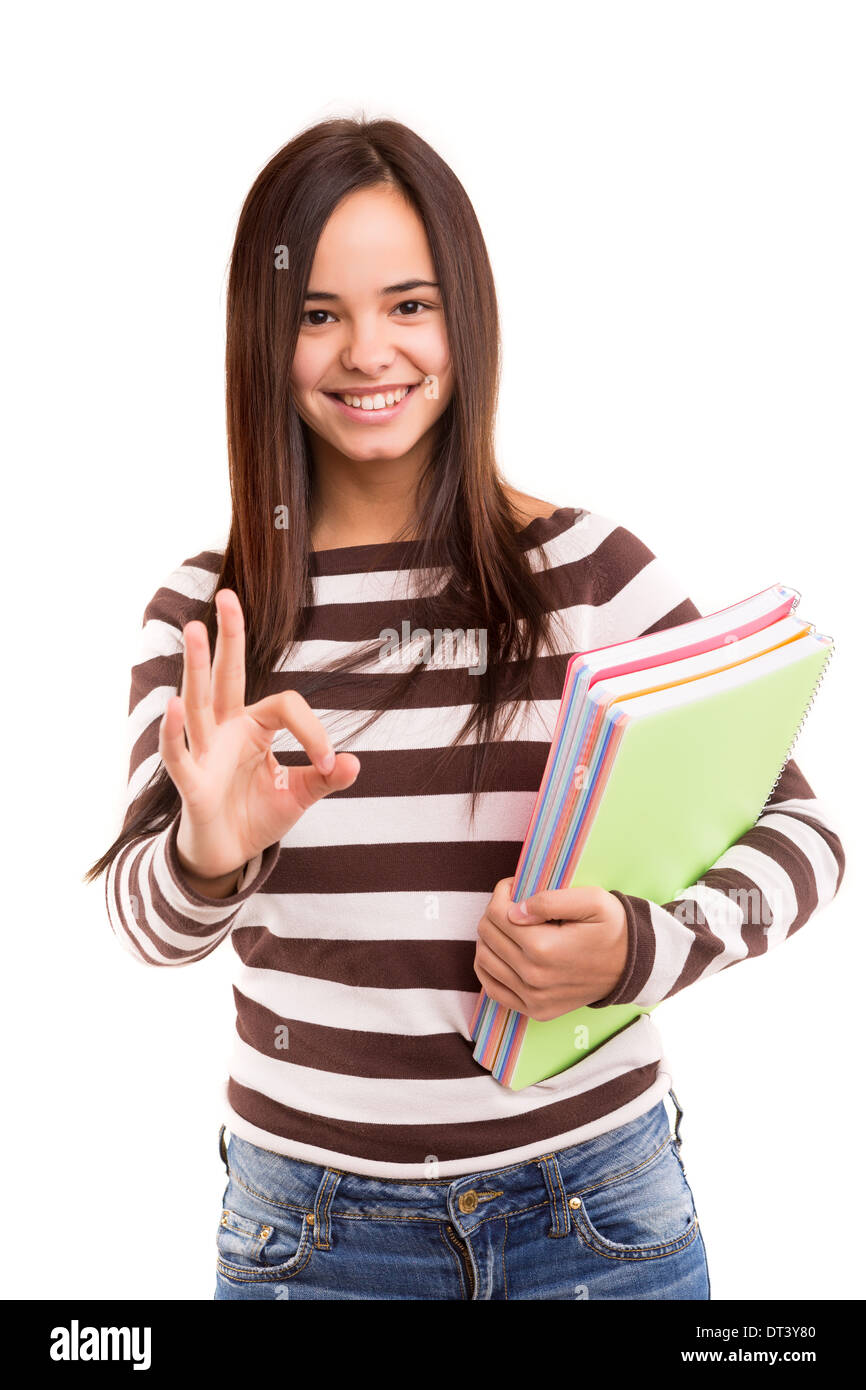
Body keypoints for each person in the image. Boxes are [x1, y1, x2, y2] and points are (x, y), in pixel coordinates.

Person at [86, 117, 845, 1301]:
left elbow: (803, 835)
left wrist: (634, 950)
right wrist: (207, 848)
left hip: (593, 1213)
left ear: (466, 318)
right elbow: (146, 926)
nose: (366, 353)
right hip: (308, 1235)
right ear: (260, 333)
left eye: (409, 304)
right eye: (317, 313)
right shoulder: (208, 612)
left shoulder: (589, 572)